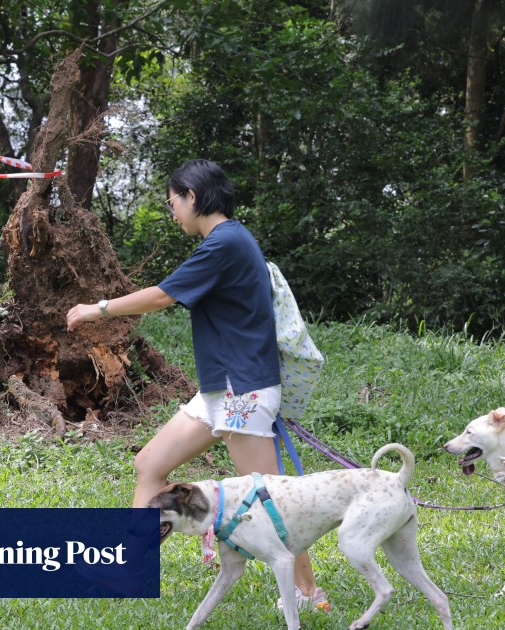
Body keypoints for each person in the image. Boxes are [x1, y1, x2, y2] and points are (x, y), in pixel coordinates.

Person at [66, 159, 328, 611]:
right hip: (221, 390)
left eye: (173, 203)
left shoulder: (225, 242)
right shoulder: (228, 241)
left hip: (242, 390)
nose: (172, 213)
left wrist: (98, 308)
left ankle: (308, 594)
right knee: (150, 464)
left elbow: (164, 295)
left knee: (269, 498)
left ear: (193, 196)